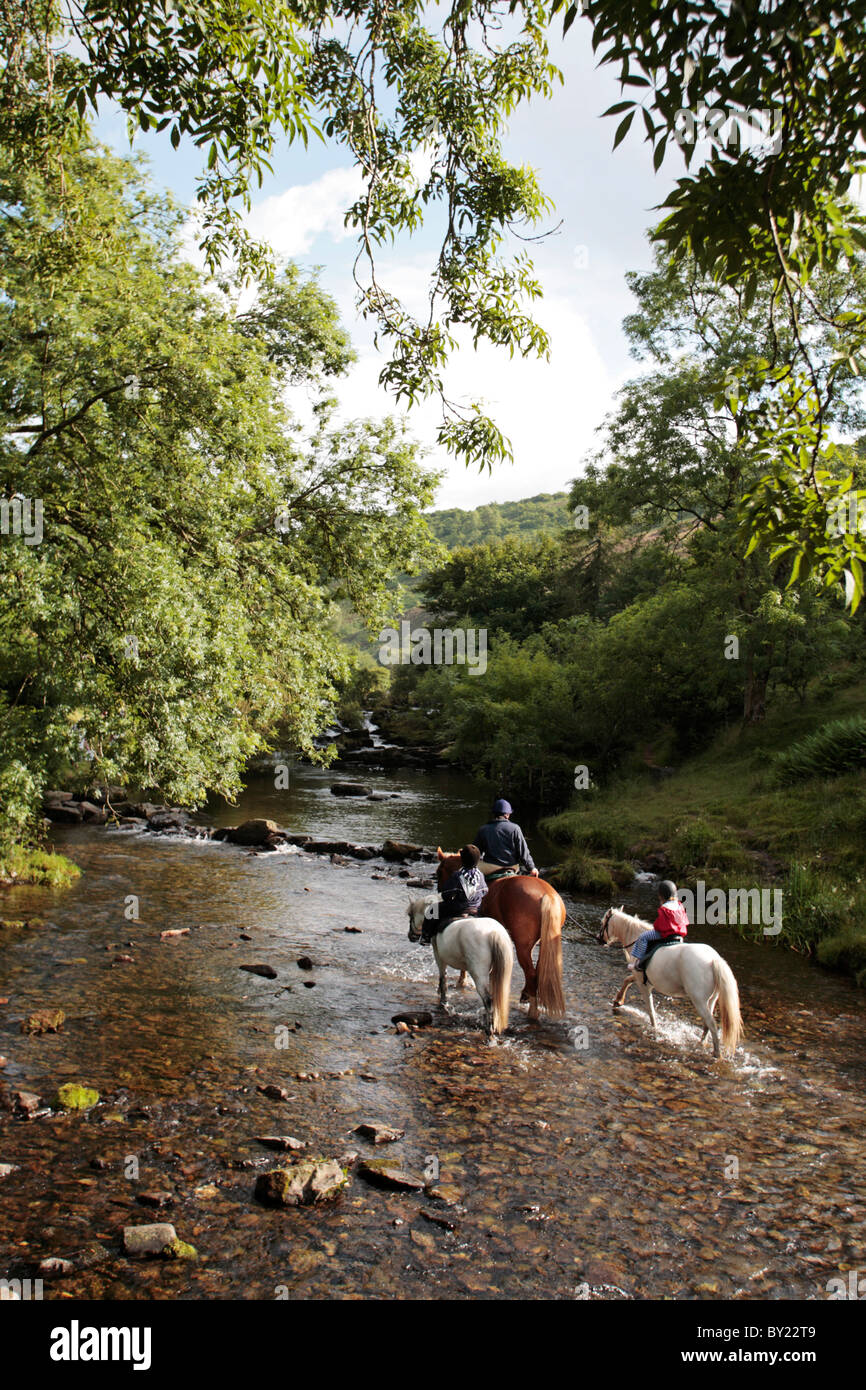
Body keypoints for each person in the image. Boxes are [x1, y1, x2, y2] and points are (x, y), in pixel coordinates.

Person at [421, 844, 486, 943]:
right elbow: (485, 891)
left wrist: (449, 898)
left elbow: (446, 894)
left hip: (458, 908)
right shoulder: (480, 875)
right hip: (475, 909)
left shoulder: (458, 875)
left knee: (432, 909)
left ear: (462, 860)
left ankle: (426, 937)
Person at [628, 880, 689, 973]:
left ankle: (639, 962)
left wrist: (655, 927)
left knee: (643, 937)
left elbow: (659, 925)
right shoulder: (679, 906)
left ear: (661, 896)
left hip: (666, 934)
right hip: (679, 934)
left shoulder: (665, 908)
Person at [474, 798, 539, 880]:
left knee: (470, 871)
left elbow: (475, 853)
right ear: (507, 815)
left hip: (490, 866)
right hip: (512, 867)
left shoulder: (483, 829)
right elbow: (523, 852)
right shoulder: (515, 828)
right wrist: (532, 868)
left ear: (494, 814)